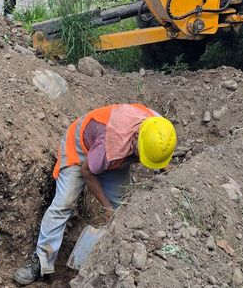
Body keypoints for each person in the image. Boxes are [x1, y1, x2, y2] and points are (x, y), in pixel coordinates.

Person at [12, 104, 177, 285]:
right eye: (141, 155)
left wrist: (165, 168)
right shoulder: (111, 145)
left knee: (122, 208)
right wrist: (105, 206)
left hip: (113, 152)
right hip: (80, 148)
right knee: (64, 203)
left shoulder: (158, 128)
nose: (141, 161)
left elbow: (159, 154)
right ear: (137, 136)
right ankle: (41, 261)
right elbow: (87, 172)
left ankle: (112, 259)